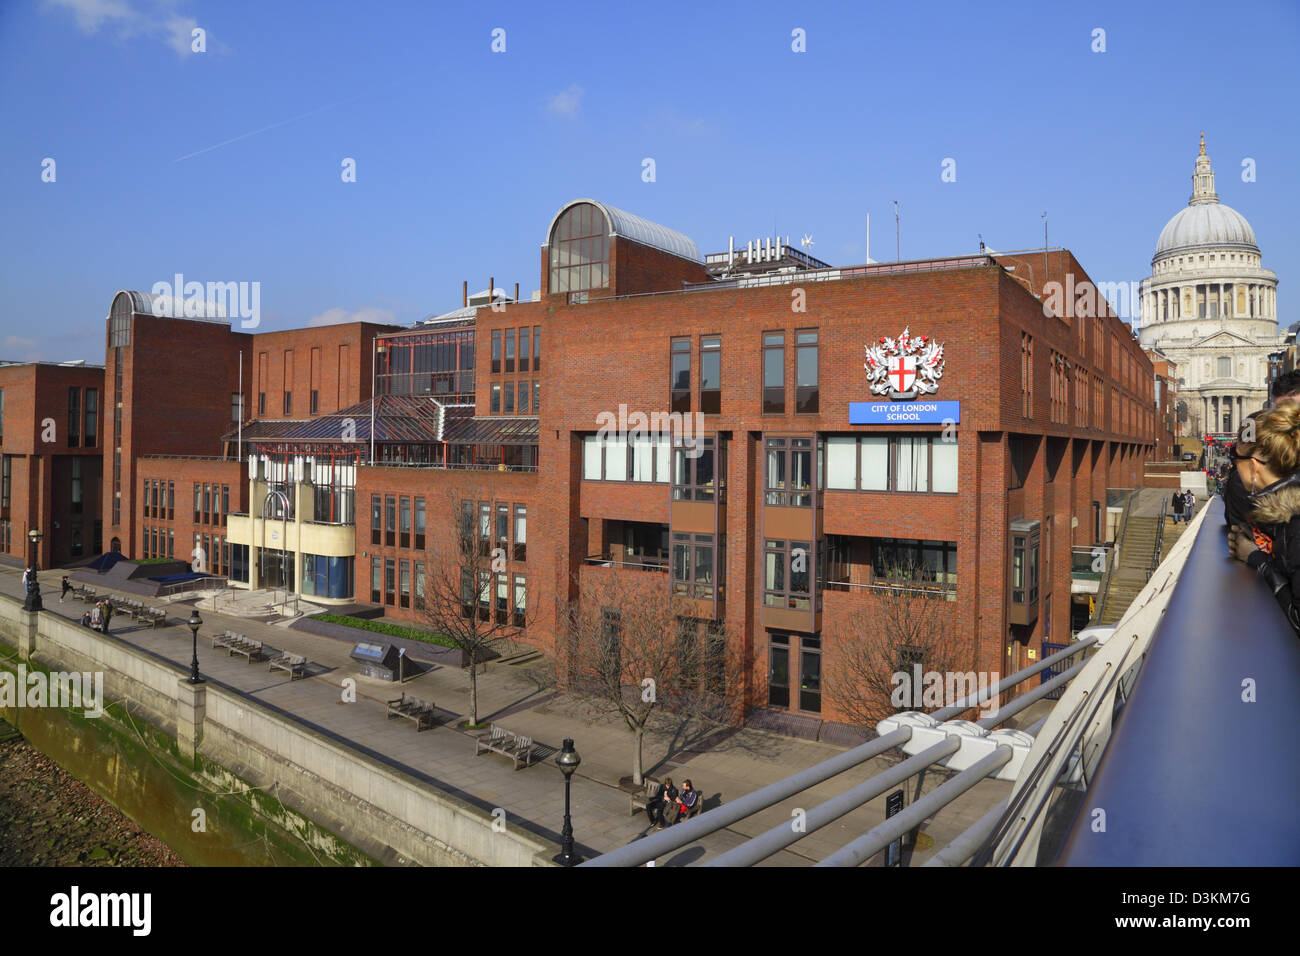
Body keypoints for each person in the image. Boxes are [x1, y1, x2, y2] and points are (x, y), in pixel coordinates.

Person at [1226, 404, 1300, 635]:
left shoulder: (1294, 524)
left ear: (1254, 467)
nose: (1233, 468)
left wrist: (1258, 559)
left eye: (1234, 459)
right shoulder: (1284, 513)